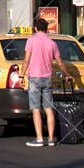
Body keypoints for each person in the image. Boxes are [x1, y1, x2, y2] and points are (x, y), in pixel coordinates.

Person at [24, 17, 67, 147]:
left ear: (36, 28)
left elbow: (26, 60)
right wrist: (67, 74)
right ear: (46, 28)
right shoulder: (52, 43)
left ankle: (39, 139)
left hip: (34, 78)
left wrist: (22, 74)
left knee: (36, 109)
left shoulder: (31, 40)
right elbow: (59, 62)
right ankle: (51, 138)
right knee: (49, 108)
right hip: (47, 78)